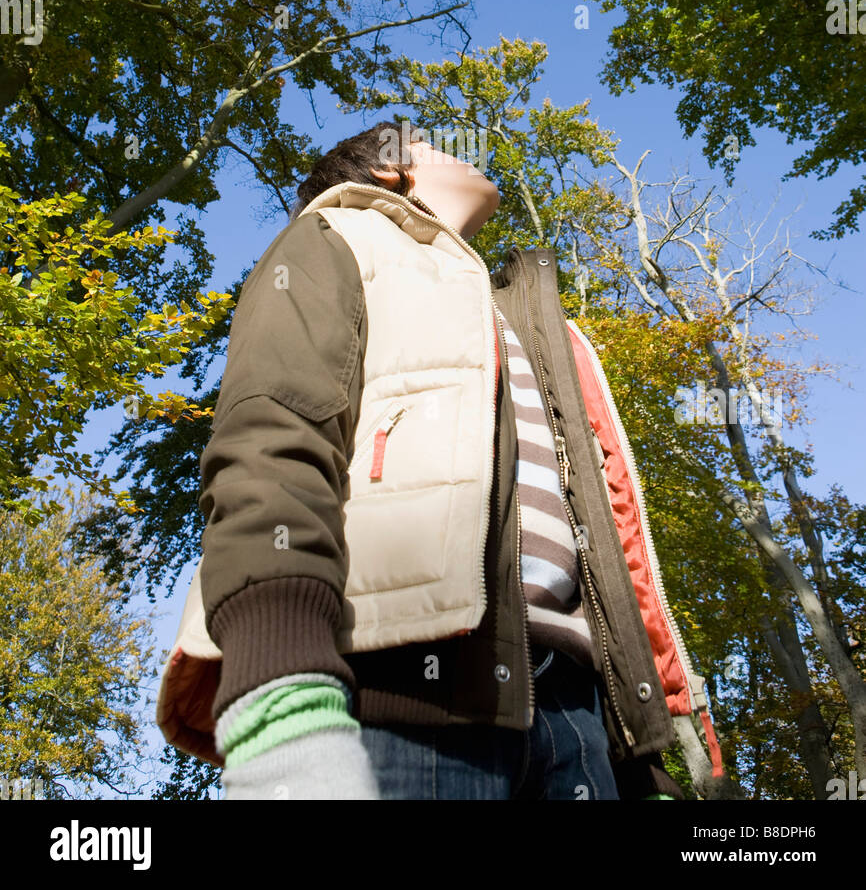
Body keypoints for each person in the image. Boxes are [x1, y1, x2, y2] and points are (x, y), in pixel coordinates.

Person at [157, 121, 718, 799]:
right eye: (434, 142)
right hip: (398, 702)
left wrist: (646, 742)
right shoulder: (337, 240)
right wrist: (282, 705)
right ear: (393, 169)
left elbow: (607, 538)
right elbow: (271, 443)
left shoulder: (525, 317)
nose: (463, 149)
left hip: (580, 725)